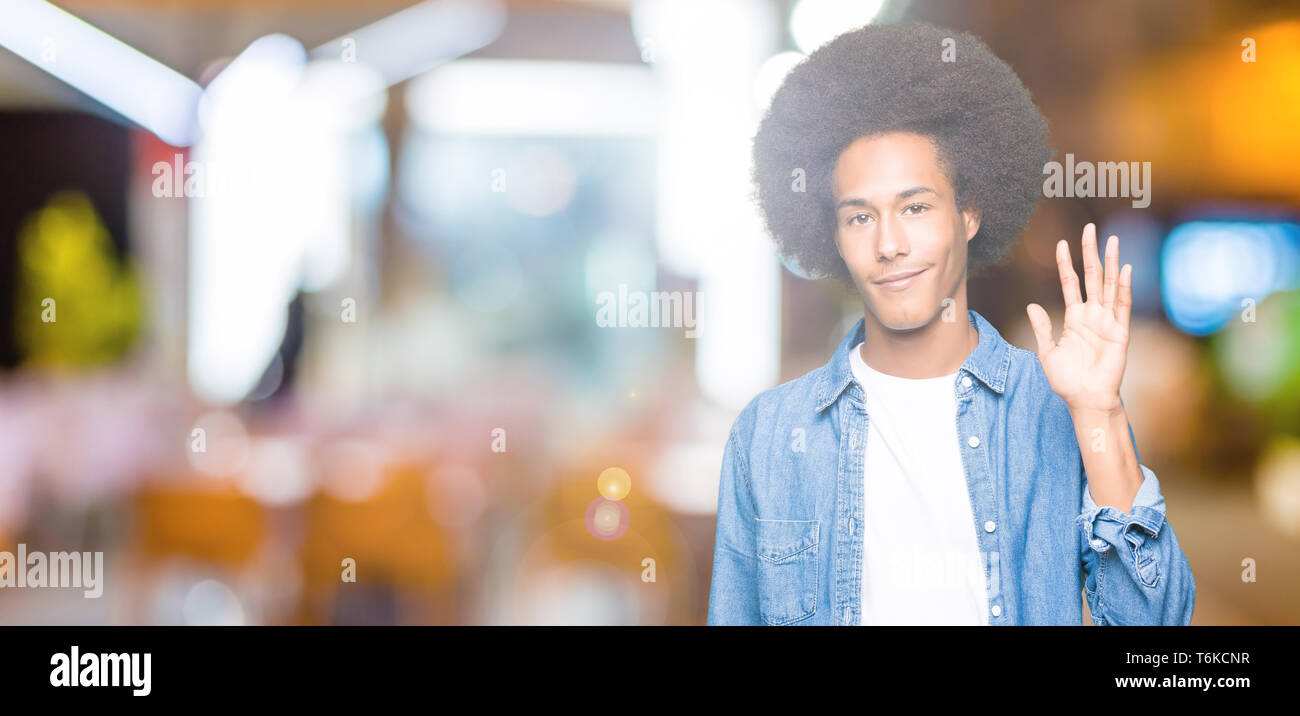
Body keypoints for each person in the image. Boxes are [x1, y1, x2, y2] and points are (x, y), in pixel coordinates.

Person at [706, 21, 1195, 625]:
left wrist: (1100, 411)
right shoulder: (767, 437)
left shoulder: (1053, 411)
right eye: (860, 217)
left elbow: (1159, 627)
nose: (889, 244)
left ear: (968, 213)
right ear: (833, 235)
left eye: (915, 207)